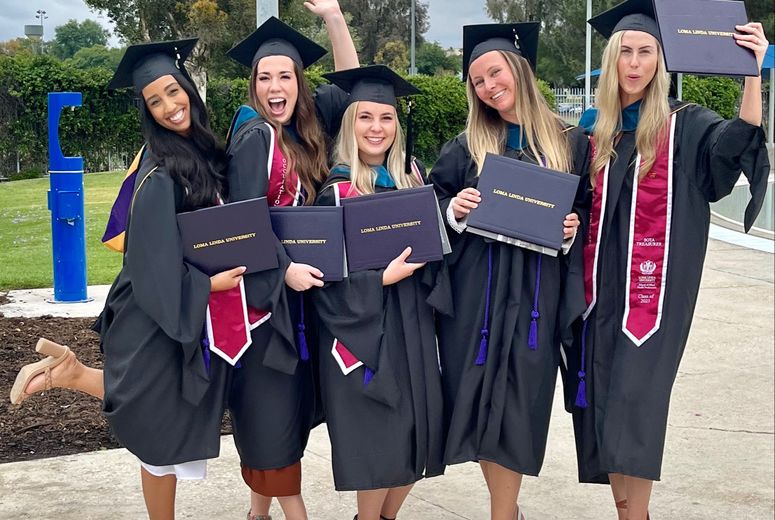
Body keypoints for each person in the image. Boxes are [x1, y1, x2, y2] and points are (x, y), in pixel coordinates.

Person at [10, 38, 250, 520]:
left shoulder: (196, 151)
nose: (169, 106)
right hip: (155, 307)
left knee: (159, 406)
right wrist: (209, 288)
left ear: (187, 88)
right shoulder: (160, 175)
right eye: (154, 102)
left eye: (172, 92)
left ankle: (68, 373)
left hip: (167, 302)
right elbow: (152, 266)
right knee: (159, 427)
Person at [567, 1, 770, 519]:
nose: (634, 63)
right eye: (625, 52)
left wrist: (754, 74)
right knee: (607, 404)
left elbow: (734, 148)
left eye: (646, 52)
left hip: (651, 301)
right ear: (612, 60)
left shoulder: (687, 124)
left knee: (638, 403)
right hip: (597, 298)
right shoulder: (593, 133)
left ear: (661, 60)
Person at [429, 23, 586, 520]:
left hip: (534, 299)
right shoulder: (467, 143)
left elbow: (584, 212)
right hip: (476, 295)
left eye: (494, 72)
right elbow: (435, 202)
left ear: (518, 69)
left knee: (518, 409)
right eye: (476, 80)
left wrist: (570, 228)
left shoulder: (571, 141)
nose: (487, 85)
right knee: (475, 406)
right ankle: (506, 512)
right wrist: (454, 208)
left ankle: (504, 512)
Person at [223, 4, 358, 520]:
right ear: (253, 85)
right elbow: (243, 219)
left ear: (299, 84)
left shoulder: (307, 129)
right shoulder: (253, 135)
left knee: (280, 414)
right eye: (264, 77)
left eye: (284, 76)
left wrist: (334, 17)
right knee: (269, 408)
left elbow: (351, 87)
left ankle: (258, 513)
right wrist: (283, 270)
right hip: (266, 302)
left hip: (304, 298)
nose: (274, 86)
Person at [313, 65, 449, 520]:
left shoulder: (413, 180)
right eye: (365, 117)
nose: (377, 128)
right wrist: (380, 280)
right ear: (350, 124)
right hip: (363, 336)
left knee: (416, 439)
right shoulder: (335, 192)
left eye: (386, 117)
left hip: (413, 328)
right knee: (380, 443)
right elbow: (323, 286)